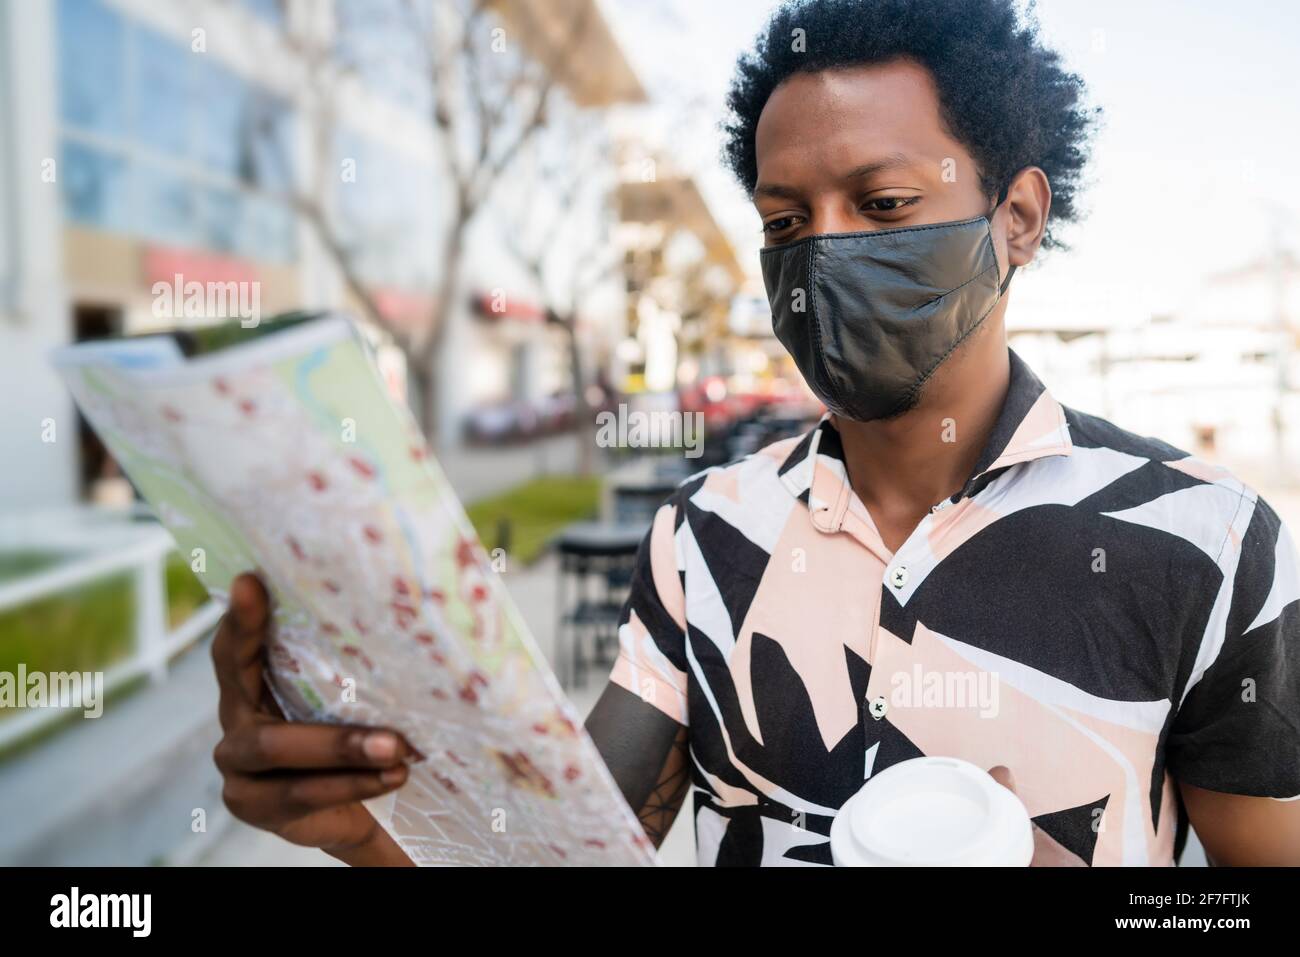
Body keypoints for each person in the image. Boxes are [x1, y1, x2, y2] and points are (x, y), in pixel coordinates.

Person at [211, 0, 1300, 866]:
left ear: (1014, 218)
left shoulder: (1208, 541)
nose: (819, 254)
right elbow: (565, 860)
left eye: (879, 206)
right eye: (784, 222)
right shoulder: (703, 536)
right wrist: (361, 830)